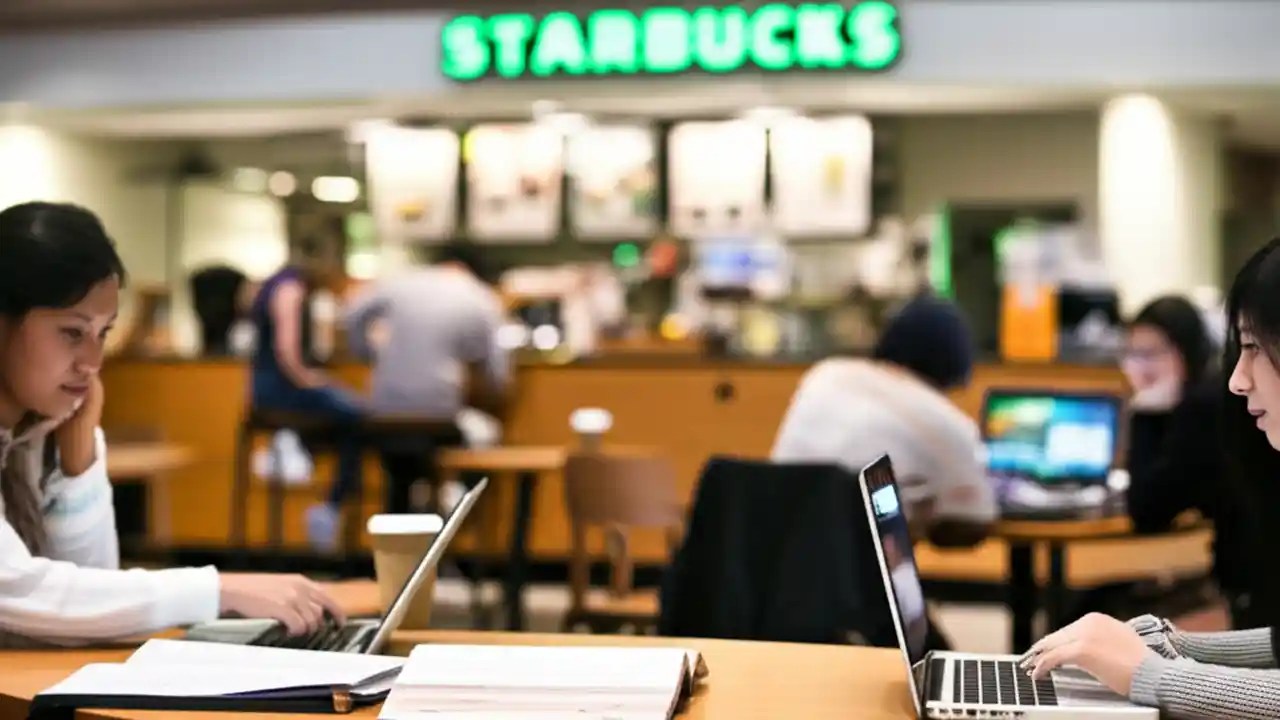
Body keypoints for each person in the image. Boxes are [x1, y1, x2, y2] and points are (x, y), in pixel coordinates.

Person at [0, 201, 343, 647]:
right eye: (72, 332)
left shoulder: (40, 429)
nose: (93, 362)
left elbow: (89, 609)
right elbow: (17, 589)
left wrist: (78, 453)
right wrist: (219, 589)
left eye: (104, 333)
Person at [1022, 237, 1280, 719]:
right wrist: (1168, 643)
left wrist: (1151, 674)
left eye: (1253, 348)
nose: (1238, 380)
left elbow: (1147, 506)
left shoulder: (1203, 408)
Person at [771, 294, 998, 548]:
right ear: (953, 372)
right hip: (862, 577)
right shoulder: (947, 423)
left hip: (775, 569)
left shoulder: (823, 376)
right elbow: (975, 520)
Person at [1101, 295, 1248, 626]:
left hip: (1238, 589)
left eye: (1152, 353)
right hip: (1234, 577)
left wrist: (1144, 415)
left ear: (1188, 351)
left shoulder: (1203, 407)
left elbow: (1148, 511)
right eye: (1132, 354)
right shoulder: (1206, 398)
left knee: (1093, 610)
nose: (1140, 367)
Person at [344, 242, 510, 514]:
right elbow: (497, 378)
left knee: (399, 472)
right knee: (485, 432)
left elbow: (352, 313)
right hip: (439, 416)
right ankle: (456, 514)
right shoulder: (480, 297)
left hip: (384, 411)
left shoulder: (402, 282)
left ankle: (401, 534)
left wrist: (367, 353)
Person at [249, 216, 365, 551]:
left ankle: (302, 451)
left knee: (343, 414)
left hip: (265, 389)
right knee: (357, 414)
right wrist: (312, 379)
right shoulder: (292, 288)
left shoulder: (271, 283)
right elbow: (287, 351)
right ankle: (332, 502)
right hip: (279, 391)